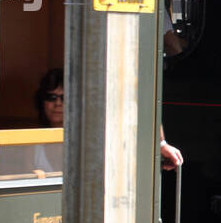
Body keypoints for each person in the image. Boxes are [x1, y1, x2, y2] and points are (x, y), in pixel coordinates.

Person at [34, 67, 183, 172]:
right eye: (51, 97)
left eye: (64, 97)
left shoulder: (90, 137)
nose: (58, 103)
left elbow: (138, 106)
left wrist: (161, 144)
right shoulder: (33, 143)